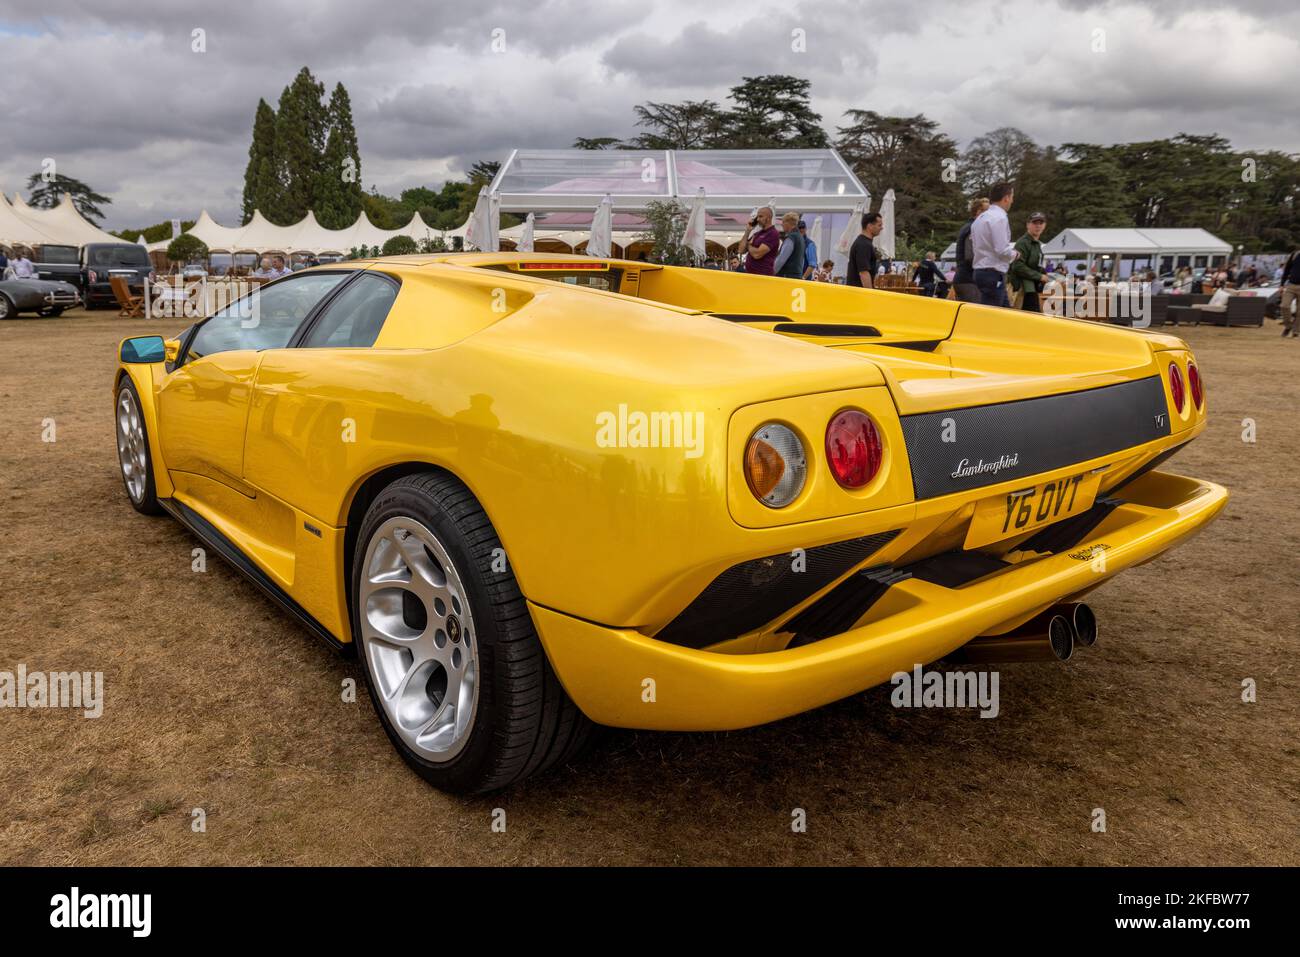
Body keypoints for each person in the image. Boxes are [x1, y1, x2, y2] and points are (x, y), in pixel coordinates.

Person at [971, 182, 1019, 307]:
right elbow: (1002, 250)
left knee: (1003, 312)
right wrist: (1015, 254)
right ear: (1006, 198)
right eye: (1012, 197)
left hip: (980, 270)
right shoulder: (1000, 218)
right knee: (994, 316)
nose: (1012, 201)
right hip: (993, 272)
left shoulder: (980, 218)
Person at [1008, 212, 1050, 312]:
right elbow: (1017, 266)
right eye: (1035, 223)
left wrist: (1044, 273)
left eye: (1041, 223)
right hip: (1023, 289)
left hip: (1031, 288)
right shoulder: (1022, 243)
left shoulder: (1037, 244)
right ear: (1028, 225)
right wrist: (1040, 276)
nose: (1038, 226)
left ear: (1044, 225)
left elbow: (1035, 264)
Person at [952, 197, 988, 302]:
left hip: (967, 280)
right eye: (987, 211)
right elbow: (970, 256)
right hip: (968, 280)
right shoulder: (973, 228)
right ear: (978, 212)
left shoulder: (970, 226)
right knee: (975, 315)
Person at [845, 212, 883, 288]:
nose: (882, 228)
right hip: (858, 293)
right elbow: (864, 273)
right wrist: (869, 295)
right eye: (879, 225)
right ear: (869, 226)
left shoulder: (863, 242)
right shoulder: (864, 245)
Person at [738, 206, 779, 275]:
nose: (757, 219)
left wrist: (748, 245)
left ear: (768, 218)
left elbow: (757, 254)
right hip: (751, 275)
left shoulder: (773, 233)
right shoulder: (757, 233)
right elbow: (741, 250)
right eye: (757, 217)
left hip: (763, 276)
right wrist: (747, 231)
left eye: (760, 216)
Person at [773, 211, 807, 280]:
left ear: (788, 223)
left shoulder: (791, 238)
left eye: (783, 222)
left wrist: (771, 272)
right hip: (797, 276)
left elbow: (781, 259)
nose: (782, 225)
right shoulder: (800, 237)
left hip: (787, 276)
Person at [1279, 248, 1300, 338]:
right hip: (1291, 285)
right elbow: (1287, 269)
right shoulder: (1295, 254)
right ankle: (1288, 326)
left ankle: (1296, 331)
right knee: (1284, 306)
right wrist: (1282, 284)